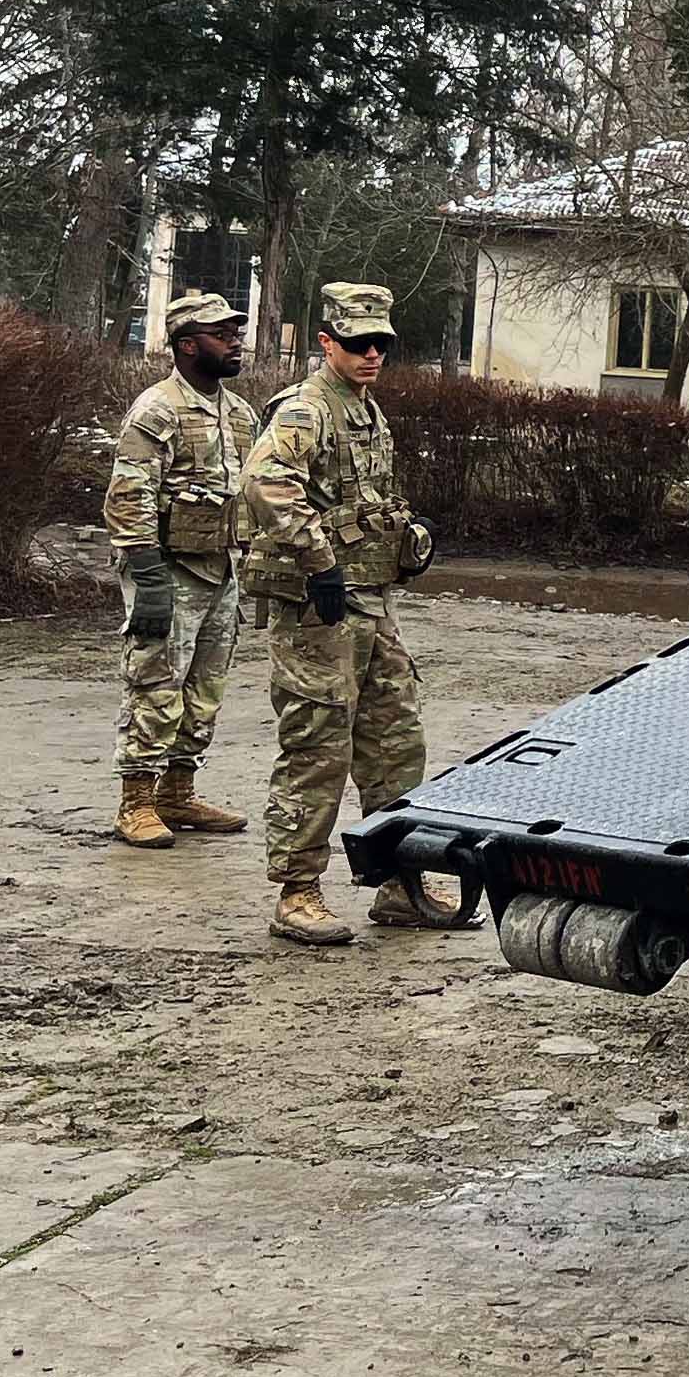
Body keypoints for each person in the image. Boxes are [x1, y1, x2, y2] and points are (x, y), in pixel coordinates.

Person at [241, 280, 461, 947]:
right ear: (327, 342)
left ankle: (400, 880)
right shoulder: (306, 409)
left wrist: (402, 536)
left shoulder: (364, 407)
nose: (372, 355)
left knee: (396, 741)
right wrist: (318, 560)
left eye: (381, 344)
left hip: (371, 601)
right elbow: (265, 481)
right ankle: (297, 891)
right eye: (358, 343)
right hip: (319, 610)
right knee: (317, 746)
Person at [102, 289, 261, 849]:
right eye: (224, 335)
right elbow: (129, 494)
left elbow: (248, 495)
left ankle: (177, 792)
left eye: (236, 332)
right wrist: (146, 575)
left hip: (223, 570)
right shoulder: (157, 409)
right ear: (189, 346)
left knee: (205, 689)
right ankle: (137, 802)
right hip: (169, 571)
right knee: (154, 685)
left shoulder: (238, 413)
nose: (236, 341)